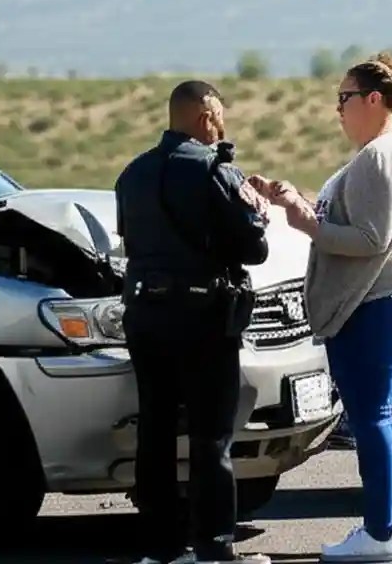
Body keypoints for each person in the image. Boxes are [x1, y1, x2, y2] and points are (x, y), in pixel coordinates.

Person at [250, 53, 392, 562]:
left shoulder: (380, 155)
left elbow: (369, 239)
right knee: (382, 416)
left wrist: (306, 224)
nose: (339, 109)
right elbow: (354, 220)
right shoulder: (385, 151)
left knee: (371, 418)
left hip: (379, 304)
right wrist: (298, 204)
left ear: (373, 100)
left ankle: (378, 533)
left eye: (345, 98)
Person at [114, 80, 273, 564]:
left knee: (156, 433)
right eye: (219, 115)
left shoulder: (132, 174)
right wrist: (260, 216)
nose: (222, 124)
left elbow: (132, 241)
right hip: (203, 320)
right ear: (206, 116)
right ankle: (214, 547)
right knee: (211, 437)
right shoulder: (215, 171)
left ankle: (160, 549)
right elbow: (254, 249)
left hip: (146, 318)